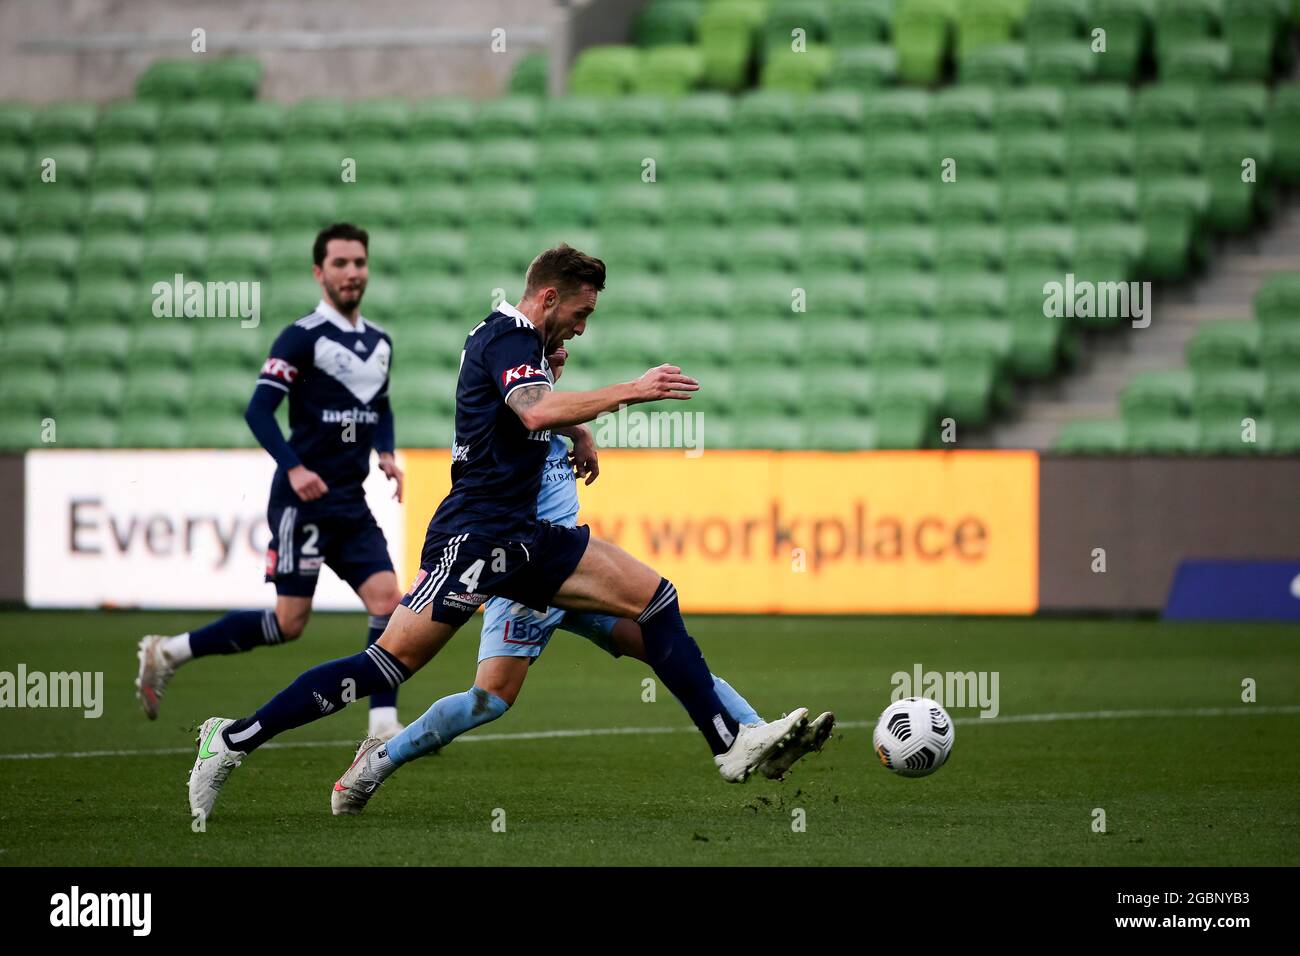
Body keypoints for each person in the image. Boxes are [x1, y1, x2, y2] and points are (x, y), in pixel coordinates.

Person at [188, 244, 822, 822]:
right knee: (387, 664)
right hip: (477, 538)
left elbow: (530, 414)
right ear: (548, 297)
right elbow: (534, 408)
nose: (582, 325)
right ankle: (234, 738)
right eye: (580, 312)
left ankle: (734, 740)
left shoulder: (510, 341)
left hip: (524, 540)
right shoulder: (508, 337)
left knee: (654, 600)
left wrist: (574, 431)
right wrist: (633, 391)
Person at [137, 223, 407, 741]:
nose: (352, 272)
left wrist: (387, 453)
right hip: (302, 503)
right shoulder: (301, 337)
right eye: (341, 263)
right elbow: (259, 411)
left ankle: (381, 724)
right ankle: (169, 651)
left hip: (350, 502)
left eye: (359, 263)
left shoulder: (380, 343)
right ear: (319, 272)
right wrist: (294, 467)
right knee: (289, 624)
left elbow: (382, 406)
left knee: (387, 603)